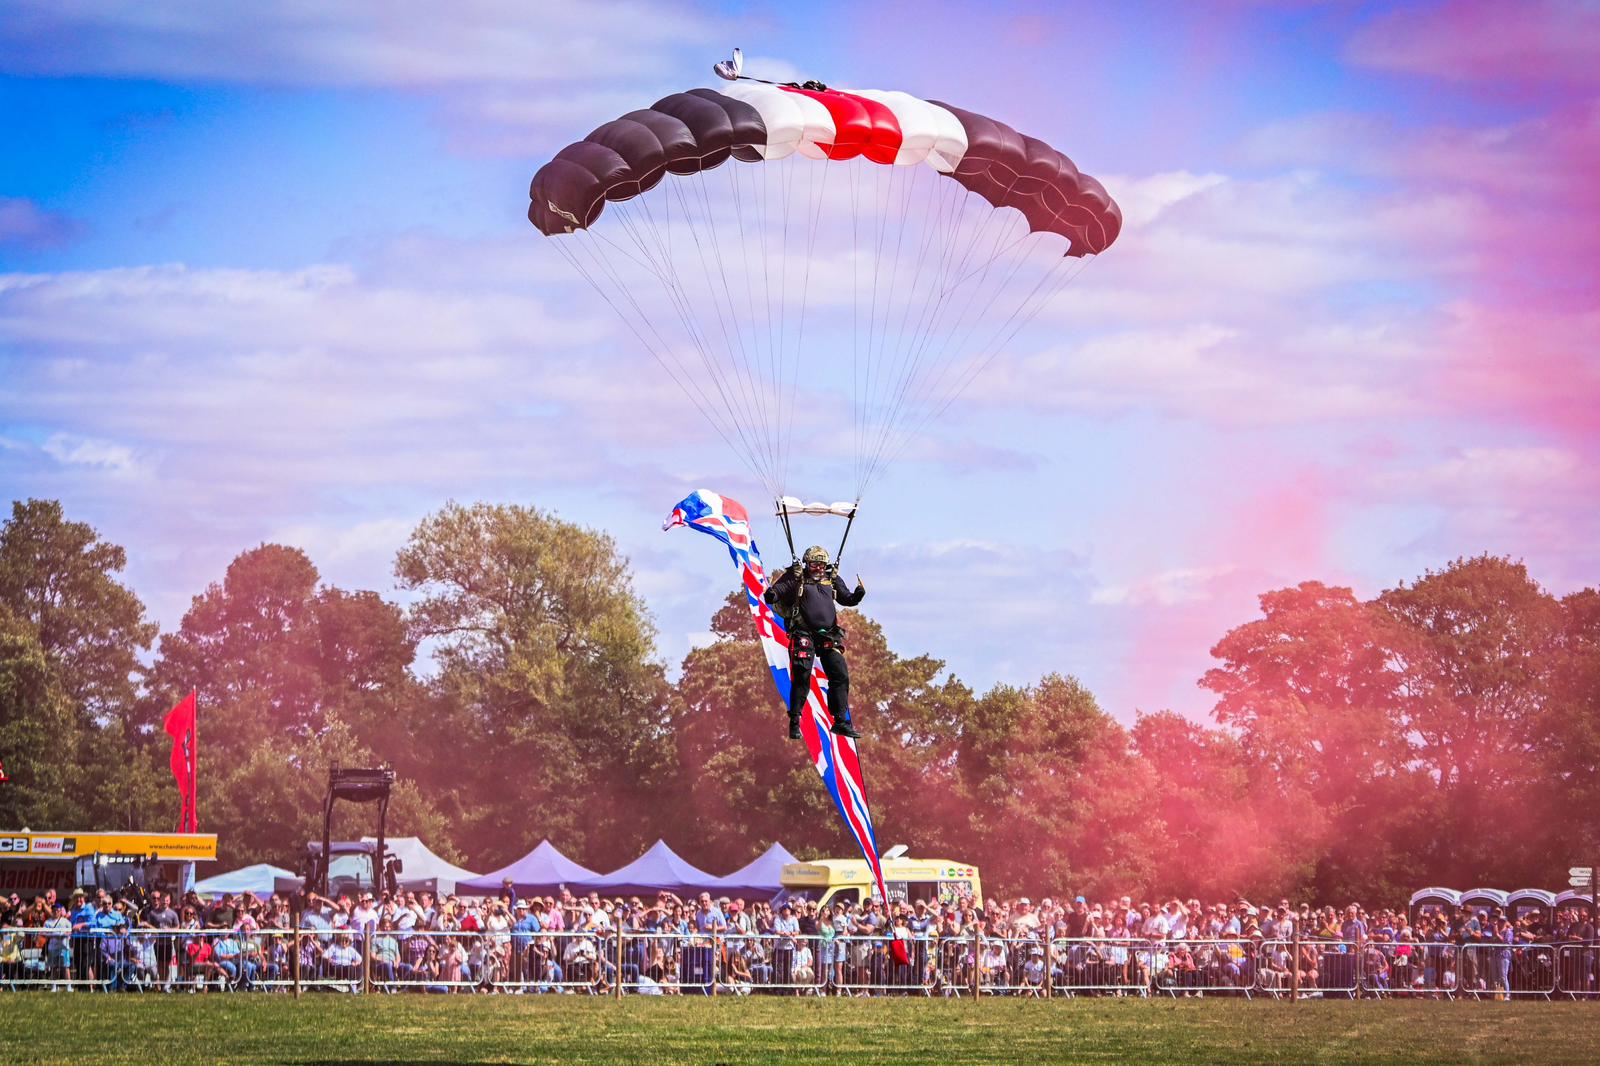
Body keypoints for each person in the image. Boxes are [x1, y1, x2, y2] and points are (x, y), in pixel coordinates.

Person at [763, 545, 866, 739]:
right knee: (802, 674)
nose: (818, 568)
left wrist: (858, 595)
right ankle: (795, 721)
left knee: (840, 674)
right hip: (803, 633)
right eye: (813, 564)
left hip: (827, 635)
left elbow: (847, 599)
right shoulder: (795, 577)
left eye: (821, 565)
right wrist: (771, 595)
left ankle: (840, 721)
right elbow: (777, 592)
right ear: (807, 564)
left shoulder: (832, 579)